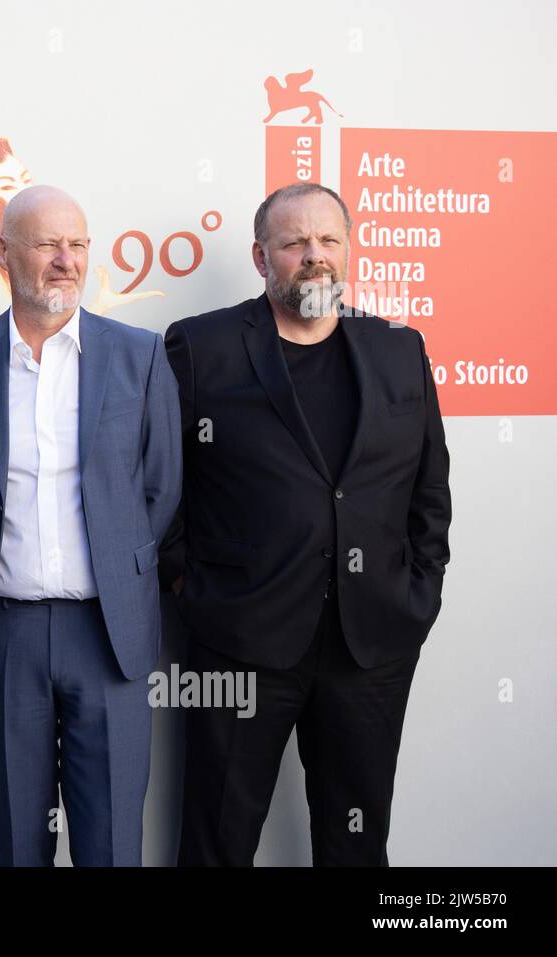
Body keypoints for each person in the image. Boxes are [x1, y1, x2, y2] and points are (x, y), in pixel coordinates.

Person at [162, 182, 451, 866]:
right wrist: (188, 587)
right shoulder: (202, 349)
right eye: (295, 243)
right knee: (216, 844)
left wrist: (420, 586)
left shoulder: (397, 350)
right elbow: (158, 485)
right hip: (241, 641)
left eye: (328, 241)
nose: (314, 256)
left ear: (348, 251)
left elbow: (429, 488)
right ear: (263, 257)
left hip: (371, 645)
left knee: (356, 844)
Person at [0, 185, 182, 865]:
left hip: (110, 634)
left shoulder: (140, 355)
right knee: (18, 840)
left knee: (110, 845)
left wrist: (115, 565)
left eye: (77, 244)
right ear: (3, 253)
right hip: (4, 635)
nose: (65, 260)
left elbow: (159, 491)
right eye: (47, 243)